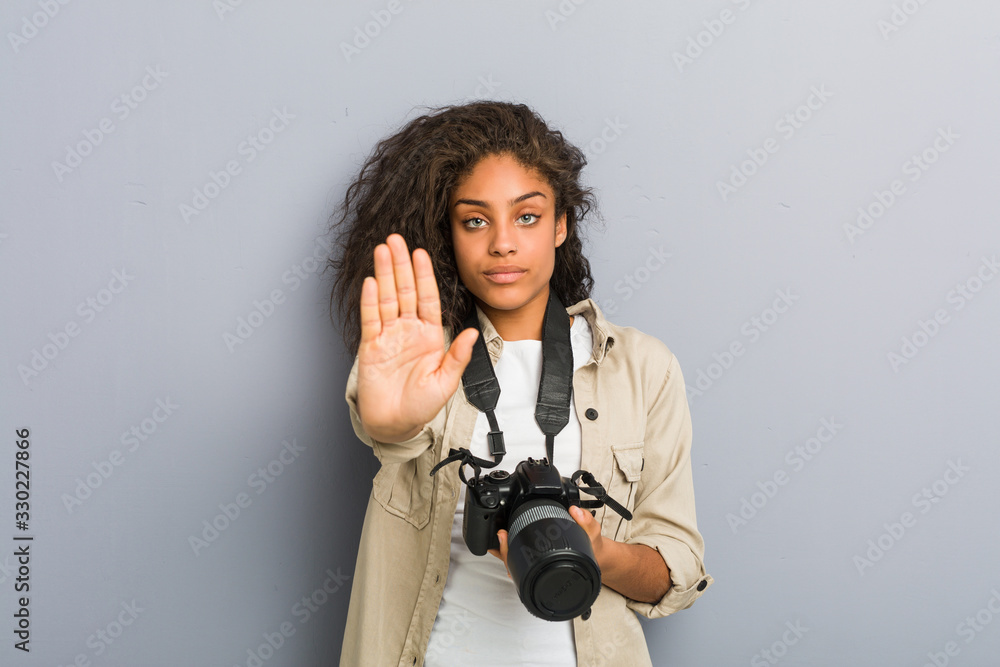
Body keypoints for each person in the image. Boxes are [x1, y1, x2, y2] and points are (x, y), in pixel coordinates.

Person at [327, 101, 712, 666]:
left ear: (561, 225)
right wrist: (389, 423)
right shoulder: (421, 356)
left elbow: (674, 573)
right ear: (449, 233)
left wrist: (594, 551)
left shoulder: (643, 368)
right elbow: (393, 432)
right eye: (475, 220)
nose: (502, 243)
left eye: (527, 216)